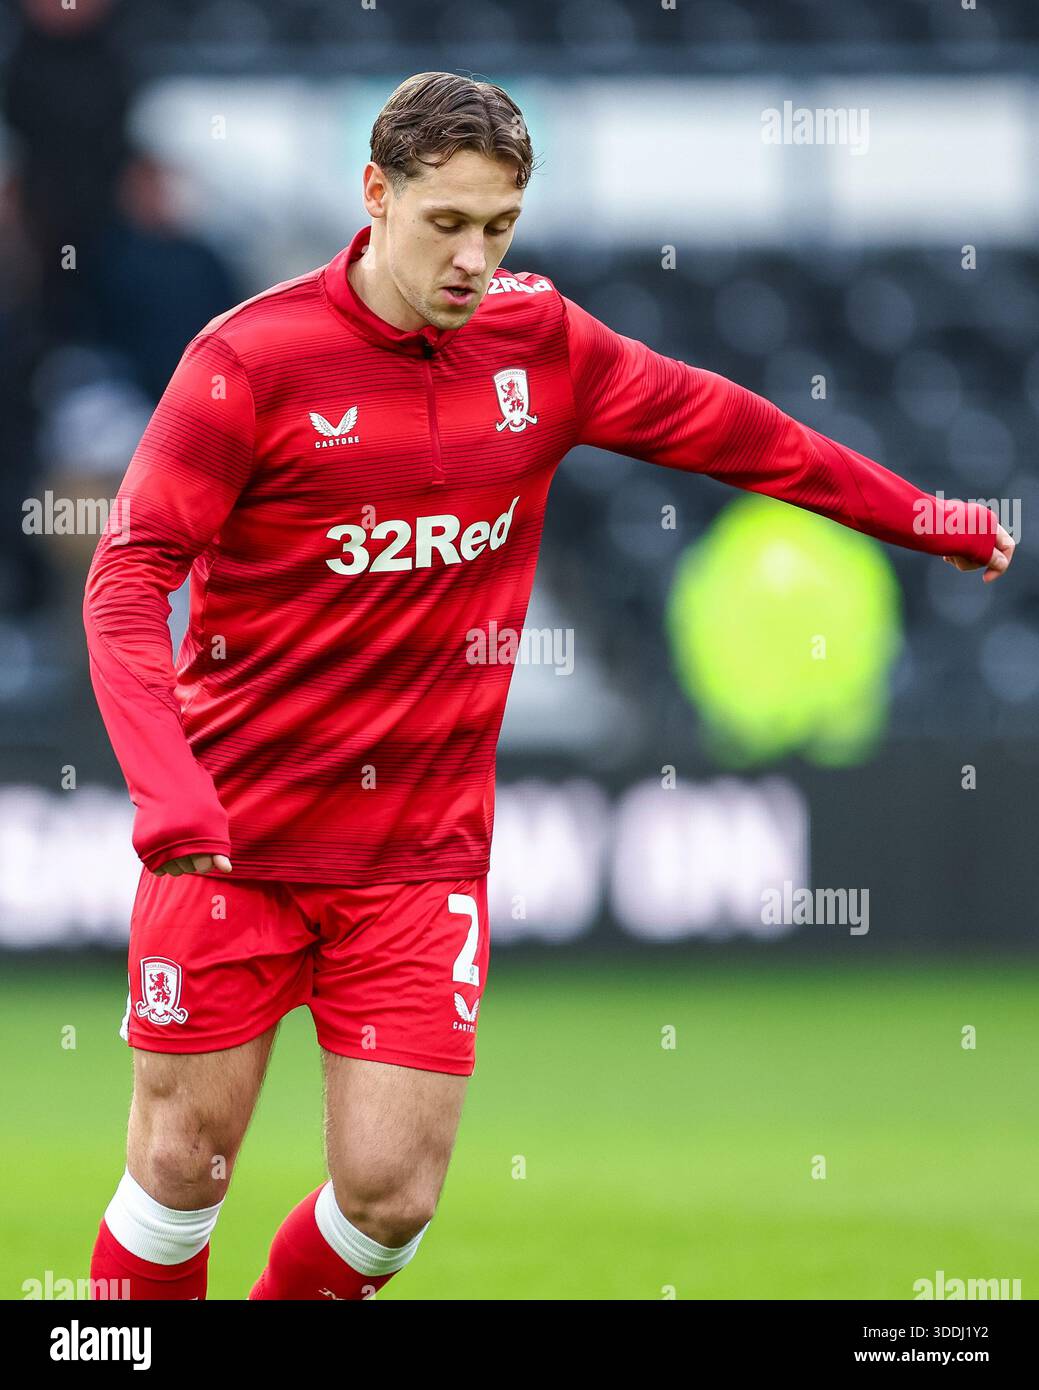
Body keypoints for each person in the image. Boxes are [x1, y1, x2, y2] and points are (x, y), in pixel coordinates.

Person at [83, 70, 1014, 1302]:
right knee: (182, 1166)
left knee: (390, 1201)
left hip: (416, 855)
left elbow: (736, 429)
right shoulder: (248, 362)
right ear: (375, 195)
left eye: (500, 227)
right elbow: (126, 579)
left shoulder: (541, 344)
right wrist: (169, 789)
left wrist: (918, 516)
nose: (474, 259)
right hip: (234, 843)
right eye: (447, 224)